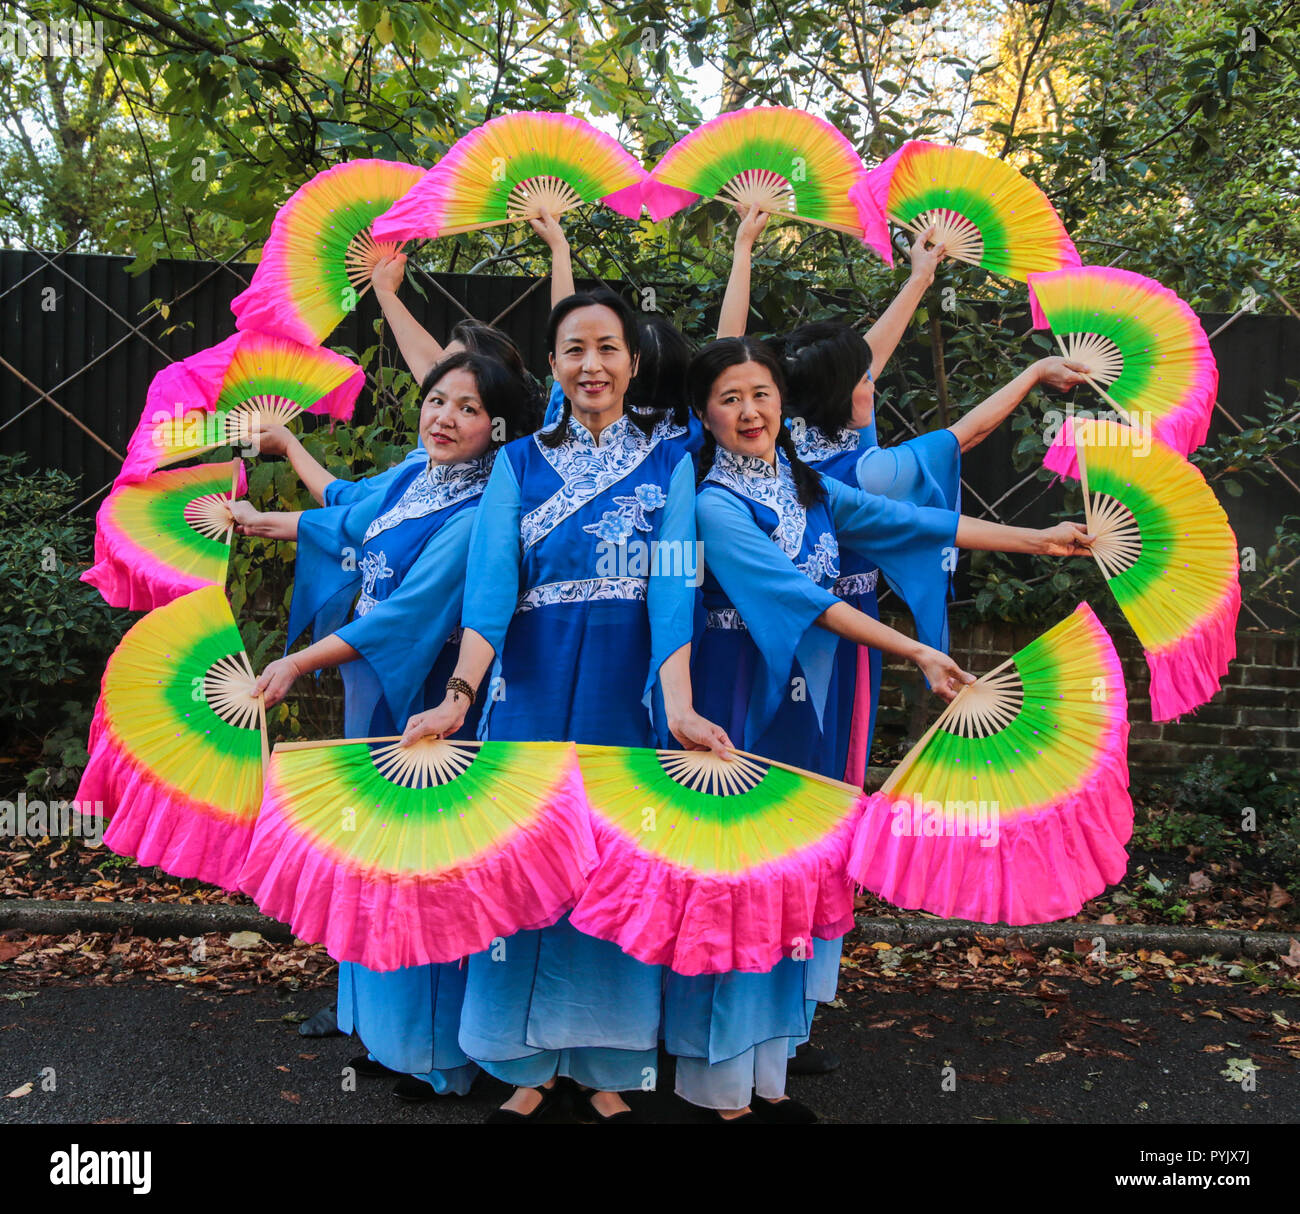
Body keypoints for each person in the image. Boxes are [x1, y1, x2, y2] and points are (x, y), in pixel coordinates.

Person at [666, 336, 1094, 1121]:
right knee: (737, 880)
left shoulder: (812, 489)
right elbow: (801, 597)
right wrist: (917, 649)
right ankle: (715, 1089)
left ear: (782, 402)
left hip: (811, 705)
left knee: (796, 880)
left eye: (760, 393)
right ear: (704, 415)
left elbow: (920, 523)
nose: (749, 411)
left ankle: (768, 1074)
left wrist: (1041, 539)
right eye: (729, 399)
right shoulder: (711, 503)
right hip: (740, 707)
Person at [400, 288, 731, 1123]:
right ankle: (525, 1067)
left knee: (613, 869)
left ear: (631, 361)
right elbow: (489, 593)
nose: (592, 364)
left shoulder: (671, 462)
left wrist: (681, 706)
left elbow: (674, 587)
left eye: (608, 348)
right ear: (552, 365)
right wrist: (457, 698)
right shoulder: (516, 464)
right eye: (574, 348)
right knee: (523, 871)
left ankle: (608, 1067)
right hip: (530, 685)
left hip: (628, 694)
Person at [228, 352, 538, 1101]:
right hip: (375, 687)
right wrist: (257, 508)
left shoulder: (483, 513)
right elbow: (342, 509)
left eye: (467, 408)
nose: (444, 417)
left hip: (429, 700)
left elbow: (407, 613)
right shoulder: (411, 477)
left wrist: (299, 663)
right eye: (437, 400)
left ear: (499, 427)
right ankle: (389, 1038)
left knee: (427, 866)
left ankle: (439, 1055)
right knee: (374, 860)